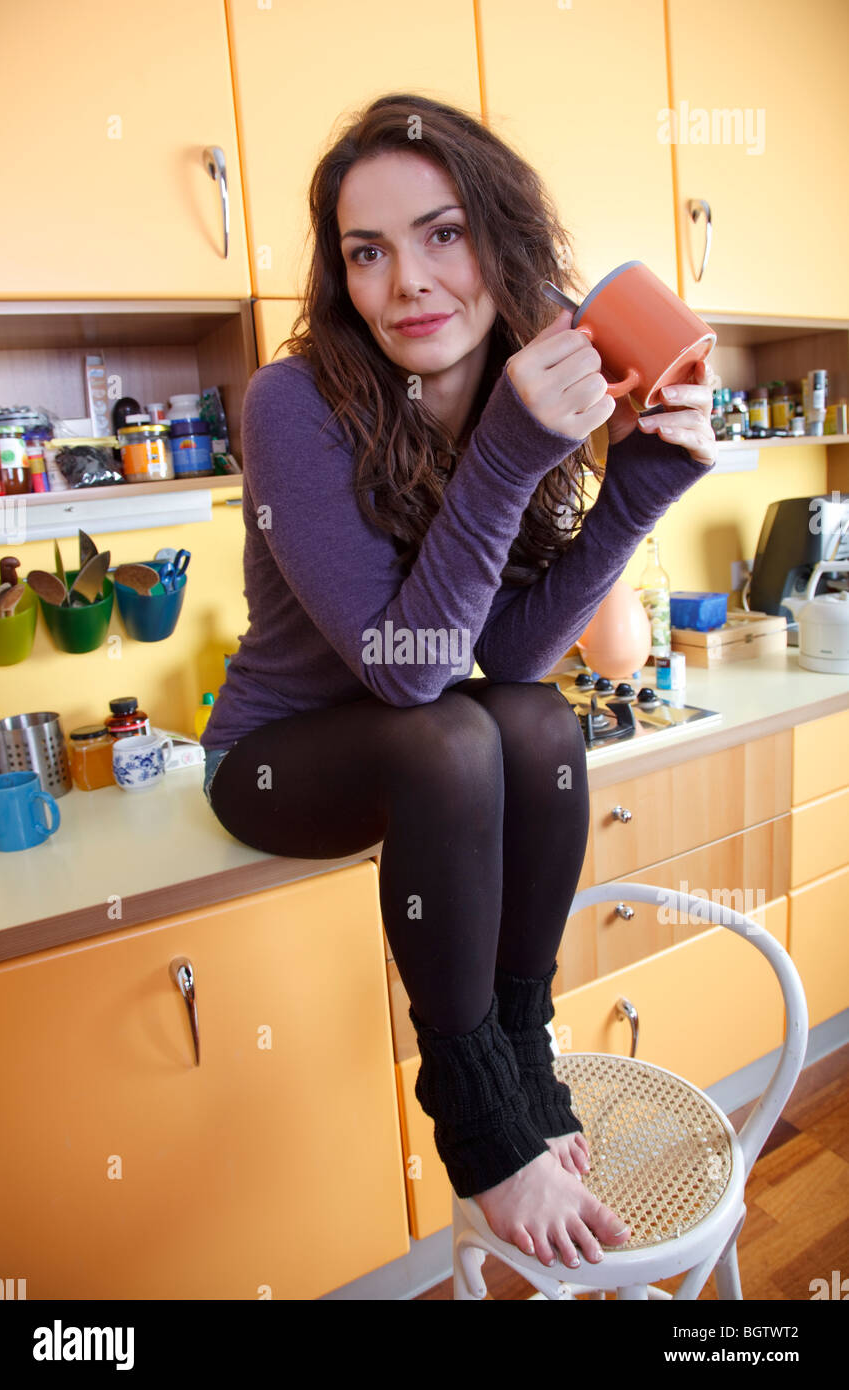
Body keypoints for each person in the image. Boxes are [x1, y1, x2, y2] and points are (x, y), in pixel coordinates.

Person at [200, 92, 717, 1275]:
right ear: (342, 277)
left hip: (419, 733)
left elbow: (513, 659)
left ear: (498, 237)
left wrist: (636, 480)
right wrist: (513, 450)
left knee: (532, 722)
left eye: (441, 235)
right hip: (275, 758)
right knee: (445, 737)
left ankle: (519, 1043)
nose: (407, 284)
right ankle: (478, 1121)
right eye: (365, 252)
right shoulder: (295, 404)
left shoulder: (514, 386)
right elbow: (413, 671)